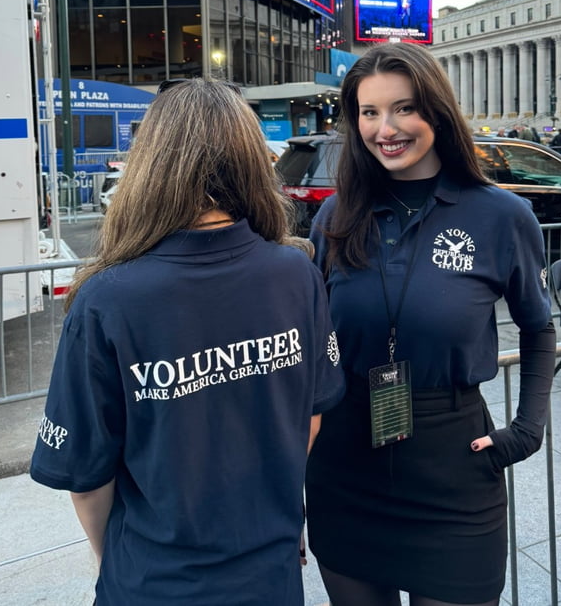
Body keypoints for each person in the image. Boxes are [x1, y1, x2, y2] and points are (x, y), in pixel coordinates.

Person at [30, 79, 345, 605]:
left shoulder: (109, 297)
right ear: (251, 161)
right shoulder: (295, 271)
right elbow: (309, 416)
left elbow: (85, 479)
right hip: (271, 575)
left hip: (156, 581)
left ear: (151, 163)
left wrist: (117, 561)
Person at [304, 42, 556, 606]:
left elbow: (539, 329)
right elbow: (309, 344)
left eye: (403, 108)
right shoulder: (335, 216)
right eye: (369, 112)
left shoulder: (501, 216)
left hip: (454, 467)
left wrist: (527, 429)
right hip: (345, 470)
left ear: (436, 112)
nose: (384, 128)